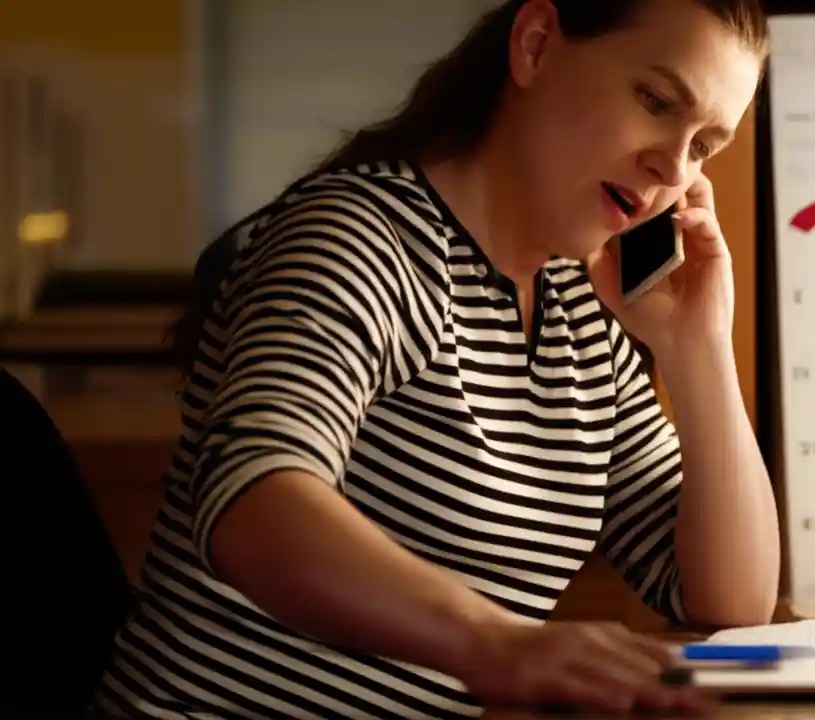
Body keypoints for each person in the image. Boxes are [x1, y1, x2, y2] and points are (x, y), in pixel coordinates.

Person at [92, 0, 778, 716]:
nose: (671, 165)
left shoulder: (578, 311)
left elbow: (730, 600)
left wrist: (698, 349)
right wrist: (493, 642)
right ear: (536, 44)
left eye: (704, 147)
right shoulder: (362, 237)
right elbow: (253, 497)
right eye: (656, 102)